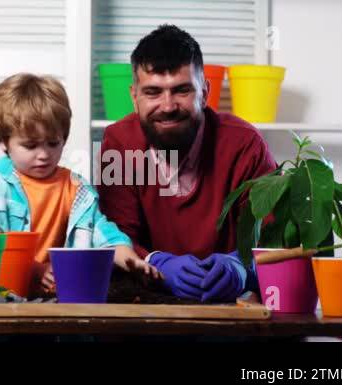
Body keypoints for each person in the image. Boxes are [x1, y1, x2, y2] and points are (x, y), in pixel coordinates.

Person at [97, 25, 277, 303]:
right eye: (153, 92)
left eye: (181, 90)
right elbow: (111, 234)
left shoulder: (244, 144)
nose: (167, 106)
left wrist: (240, 266)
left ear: (205, 92)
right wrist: (157, 261)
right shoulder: (119, 143)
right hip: (148, 307)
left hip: (231, 310)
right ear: (134, 97)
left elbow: (272, 238)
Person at [0, 73, 161, 298]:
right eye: (30, 145)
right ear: (3, 141)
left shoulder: (76, 189)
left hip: (61, 297)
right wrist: (34, 269)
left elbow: (103, 233)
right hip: (0, 299)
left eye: (53, 143)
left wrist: (130, 258)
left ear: (64, 138)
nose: (44, 154)